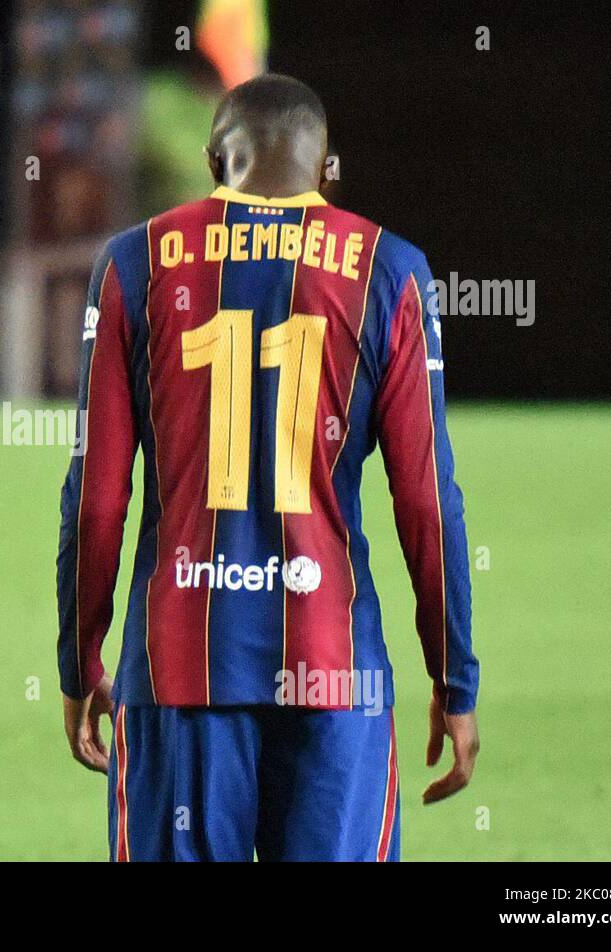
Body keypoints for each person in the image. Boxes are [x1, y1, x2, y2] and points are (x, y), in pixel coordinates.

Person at [57, 73, 479, 861]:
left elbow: (97, 501)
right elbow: (426, 498)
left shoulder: (132, 264)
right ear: (327, 171)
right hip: (334, 673)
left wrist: (79, 659)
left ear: (217, 162)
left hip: (180, 666)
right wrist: (453, 677)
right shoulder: (390, 270)